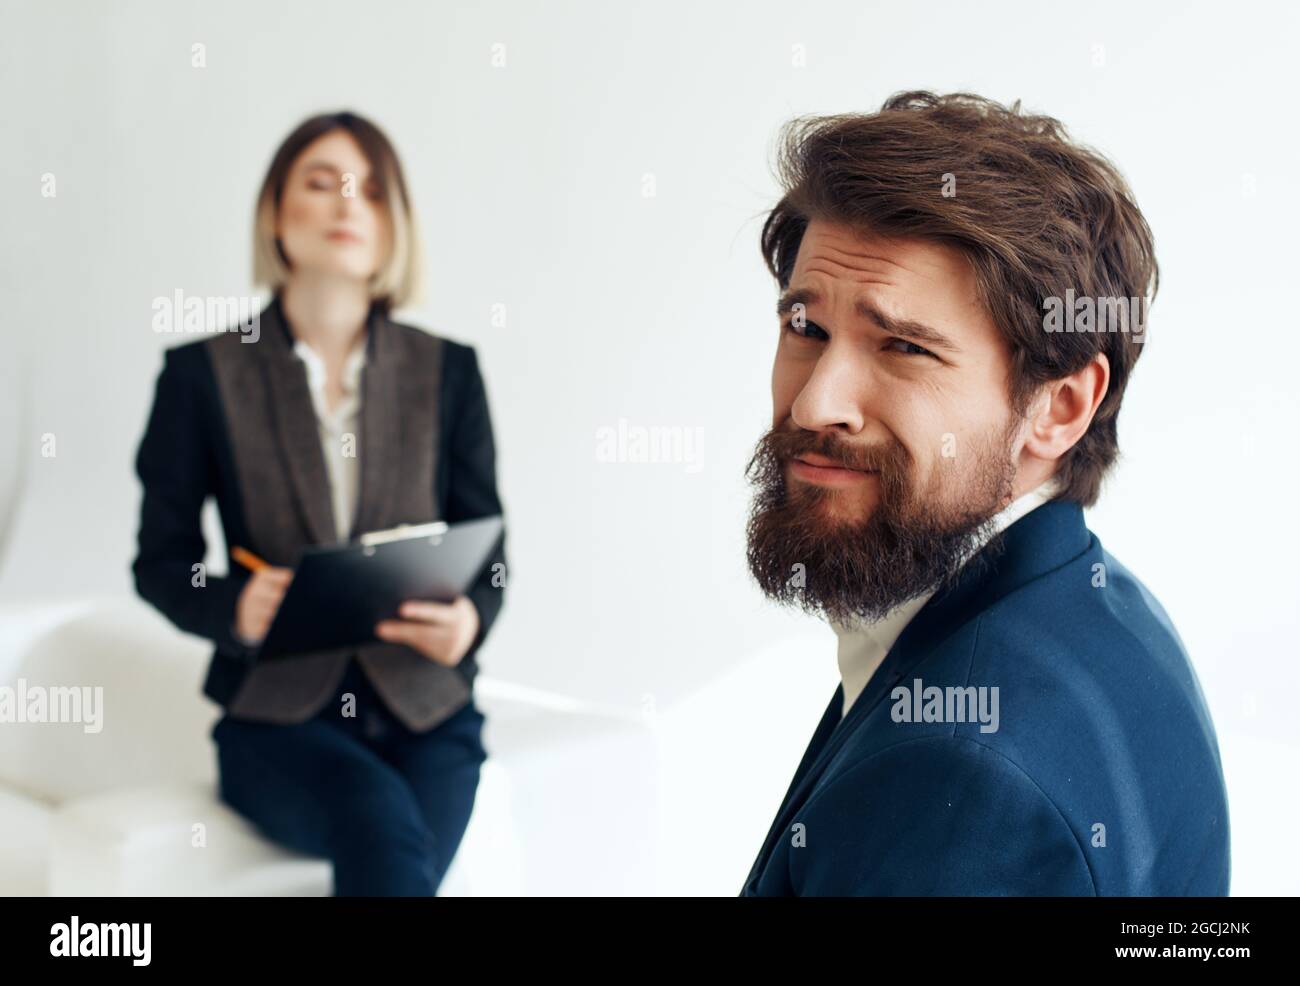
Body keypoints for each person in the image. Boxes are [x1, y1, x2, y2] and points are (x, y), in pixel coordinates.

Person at [741, 91, 1229, 895]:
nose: (814, 404)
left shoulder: (960, 776)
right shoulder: (1100, 603)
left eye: (903, 346)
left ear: (1059, 407)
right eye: (806, 328)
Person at [132, 110, 506, 895]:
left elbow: (489, 550)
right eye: (320, 183)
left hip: (428, 713)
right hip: (276, 723)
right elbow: (162, 564)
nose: (346, 204)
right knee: (379, 819)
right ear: (275, 213)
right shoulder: (200, 376)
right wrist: (233, 607)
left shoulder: (449, 372)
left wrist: (470, 618)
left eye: (369, 190)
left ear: (391, 223)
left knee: (394, 854)